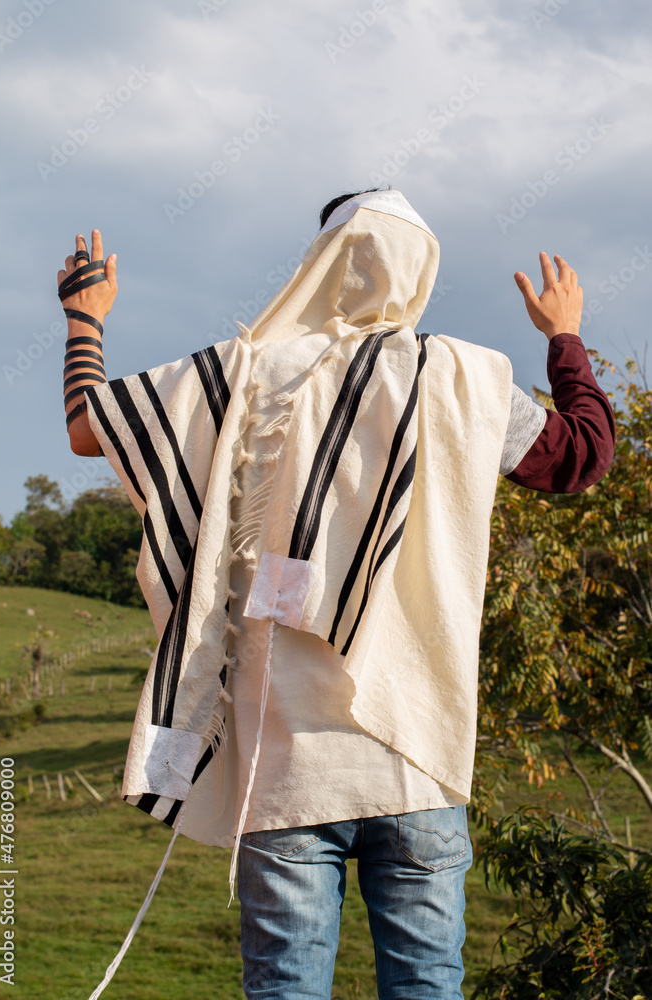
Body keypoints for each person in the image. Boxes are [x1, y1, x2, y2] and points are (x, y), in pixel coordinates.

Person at [58, 189, 615, 1000]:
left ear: (318, 262)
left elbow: (87, 428)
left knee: (286, 988)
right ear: (419, 271)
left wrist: (85, 316)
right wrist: (563, 336)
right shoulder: (460, 377)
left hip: (285, 772)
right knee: (427, 986)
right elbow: (582, 458)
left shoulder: (243, 372)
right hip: (416, 762)